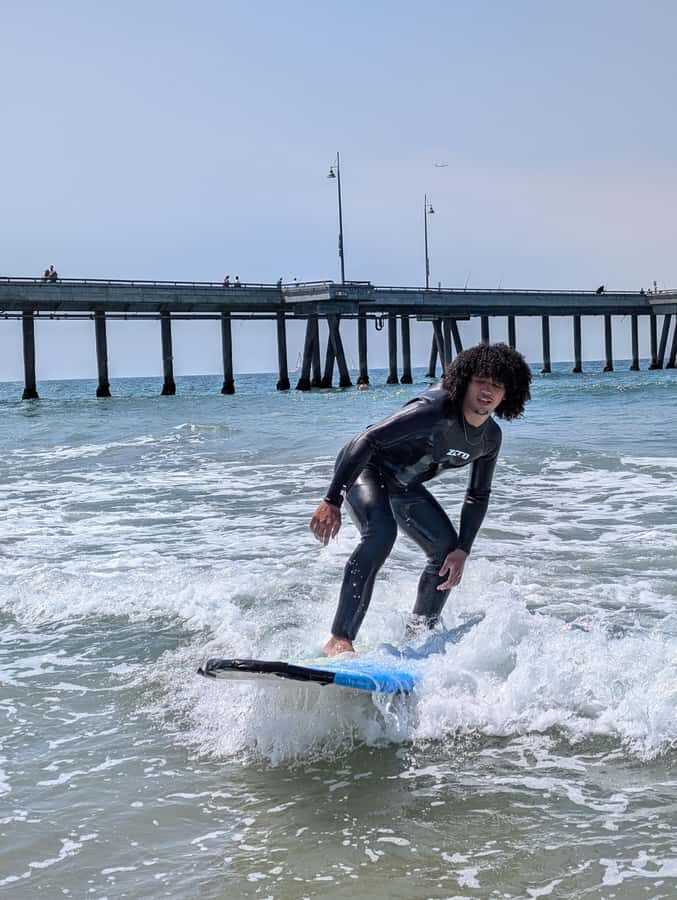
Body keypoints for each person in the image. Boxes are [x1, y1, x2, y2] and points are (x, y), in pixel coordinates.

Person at [310, 342, 532, 656]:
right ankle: (339, 639)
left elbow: (478, 494)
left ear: (508, 393)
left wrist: (464, 549)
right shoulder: (434, 410)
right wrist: (332, 499)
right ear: (464, 381)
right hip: (367, 468)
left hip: (404, 484)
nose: (487, 391)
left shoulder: (490, 438)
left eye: (497, 385)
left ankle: (418, 637)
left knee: (447, 551)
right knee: (381, 533)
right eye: (481, 381)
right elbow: (367, 440)